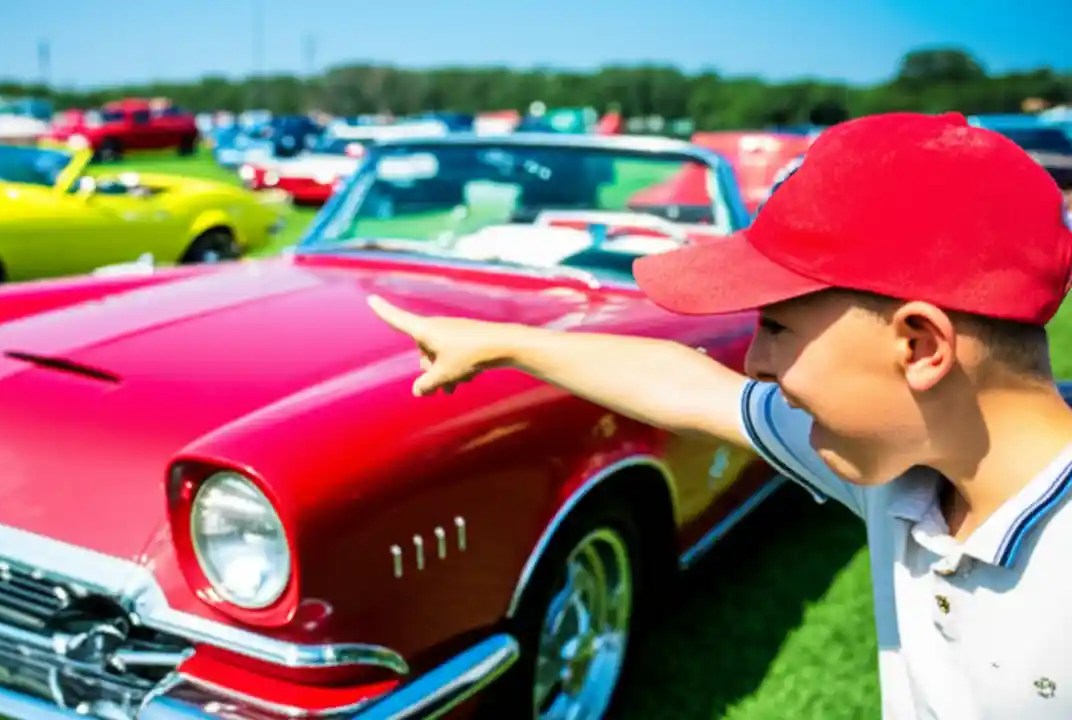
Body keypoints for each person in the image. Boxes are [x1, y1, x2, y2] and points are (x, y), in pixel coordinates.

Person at [366, 111, 1072, 719]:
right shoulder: (910, 454)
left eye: (776, 328)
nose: (756, 364)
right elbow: (689, 387)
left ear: (920, 347)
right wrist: (504, 342)